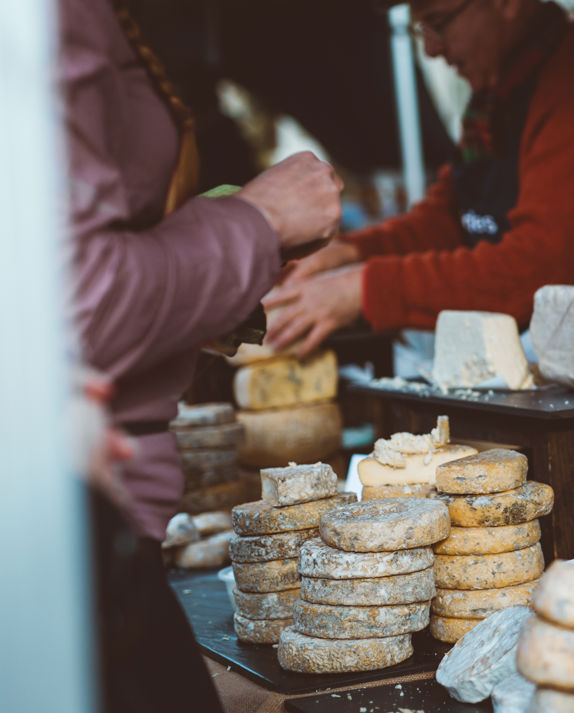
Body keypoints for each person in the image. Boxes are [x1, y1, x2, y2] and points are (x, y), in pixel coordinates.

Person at [63, 0, 343, 708]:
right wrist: (258, 219)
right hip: (75, 519)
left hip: (109, 510)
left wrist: (227, 283)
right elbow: (79, 301)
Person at [264, 0, 574, 355]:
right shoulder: (500, 95)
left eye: (437, 22)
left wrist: (362, 289)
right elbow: (451, 221)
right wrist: (348, 254)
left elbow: (526, 274)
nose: (431, 49)